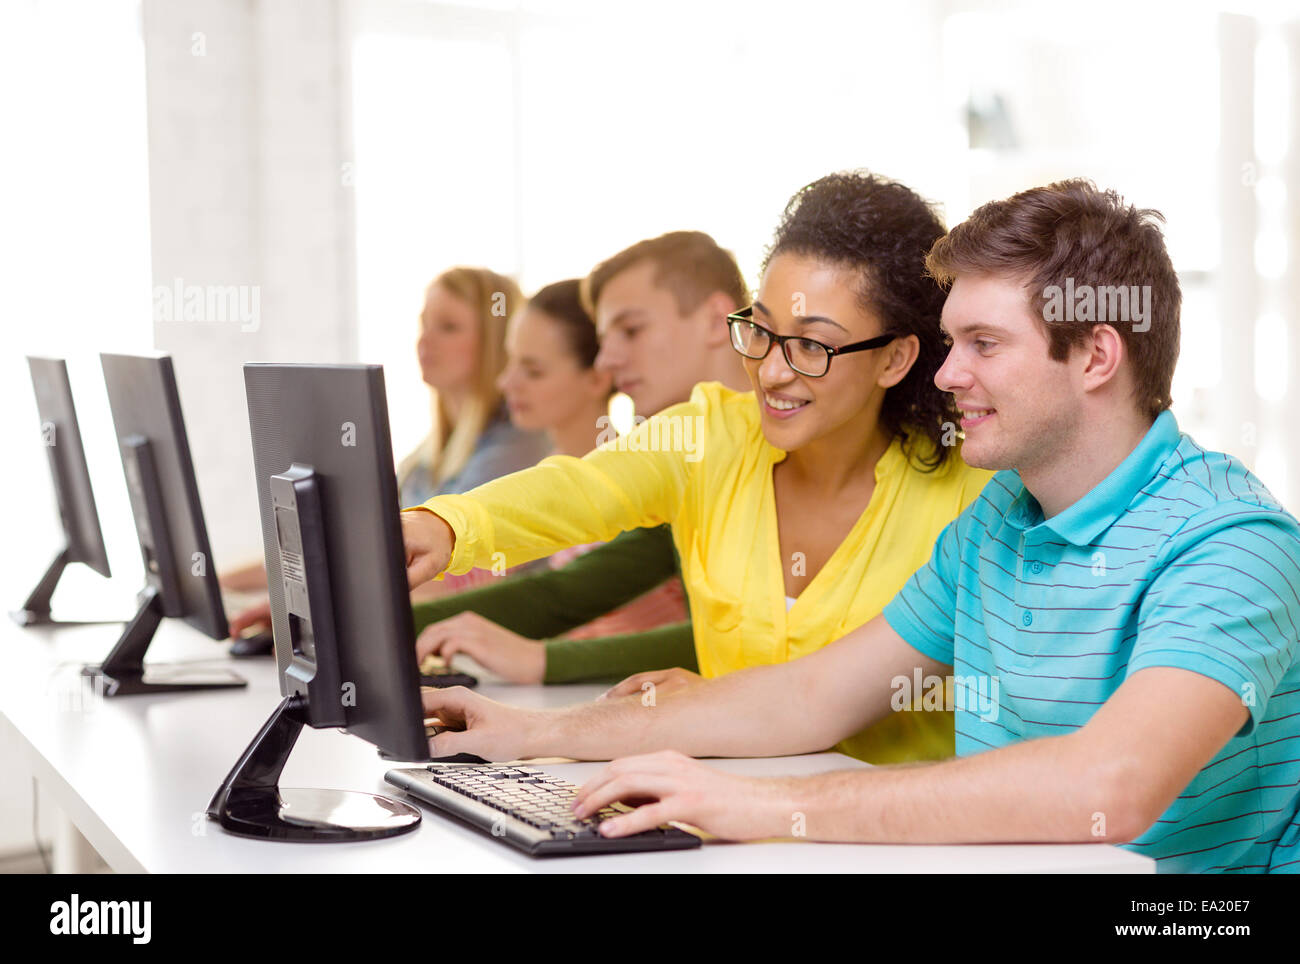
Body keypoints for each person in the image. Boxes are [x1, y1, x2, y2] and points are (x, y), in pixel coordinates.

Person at [417, 180, 1300, 874]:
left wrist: (766, 806)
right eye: (950, 342)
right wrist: (527, 734)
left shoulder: (1231, 543)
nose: (947, 376)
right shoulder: (1001, 520)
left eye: (983, 345)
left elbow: (1110, 783)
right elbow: (808, 695)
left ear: (1098, 356)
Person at [403, 172, 995, 764]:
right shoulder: (710, 437)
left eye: (813, 346)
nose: (771, 371)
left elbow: (814, 700)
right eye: (761, 331)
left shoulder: (970, 492)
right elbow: (584, 487)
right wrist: (448, 526)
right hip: (725, 822)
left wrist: (706, 701)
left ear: (894, 358)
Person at [407, 231, 753, 685]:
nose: (608, 359)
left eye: (631, 330)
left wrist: (544, 660)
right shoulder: (685, 450)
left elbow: (742, 643)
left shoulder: (771, 447)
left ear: (714, 319)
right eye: (607, 337)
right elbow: (572, 586)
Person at [225, 265, 550, 632]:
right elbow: (358, 551)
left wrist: (314, 611)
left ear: (495, 342)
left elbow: (457, 578)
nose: (424, 341)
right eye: (423, 323)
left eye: (448, 327)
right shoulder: (430, 455)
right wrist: (226, 584)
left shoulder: (517, 446)